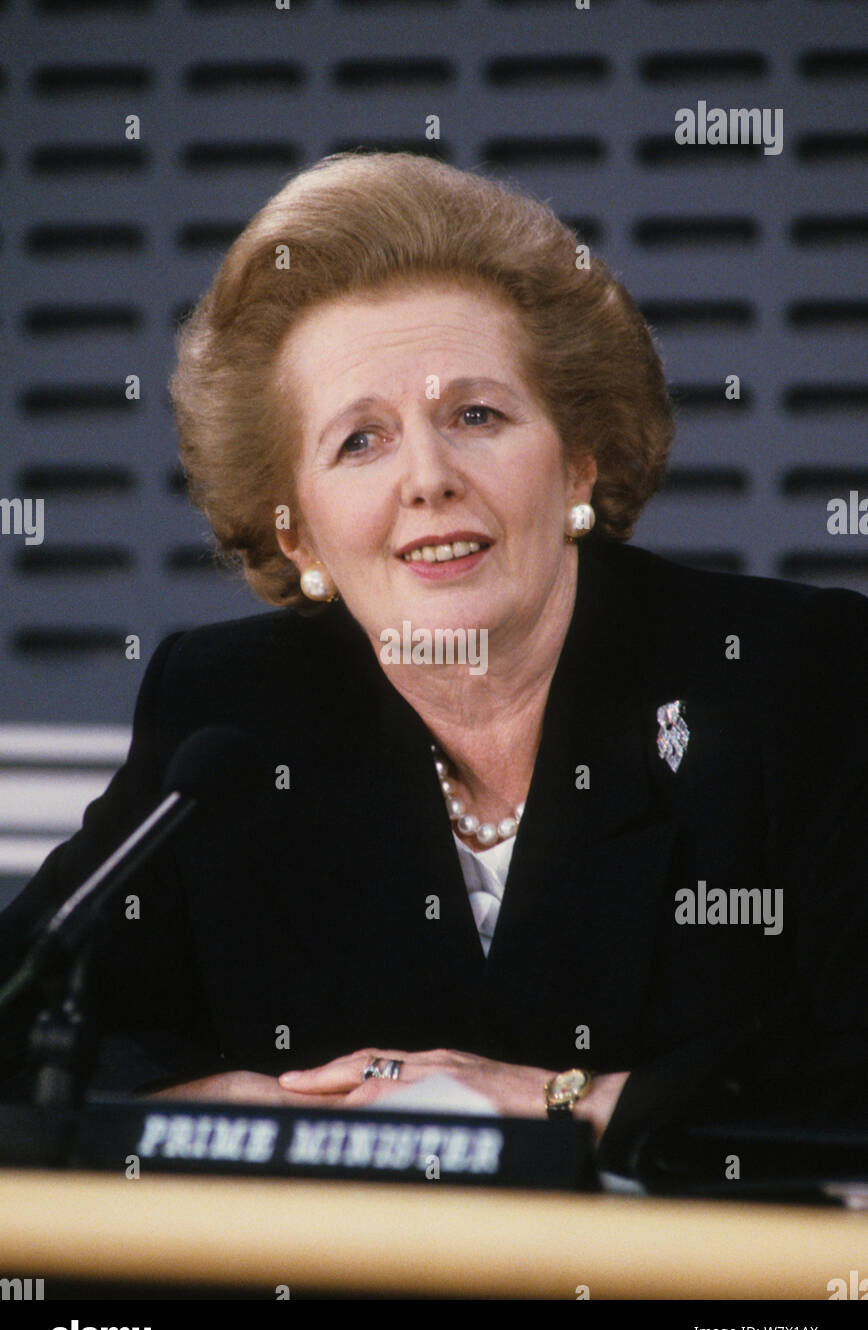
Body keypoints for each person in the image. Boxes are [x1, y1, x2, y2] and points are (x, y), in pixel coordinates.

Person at [0, 152, 865, 1182]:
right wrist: (213, 1106)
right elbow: (25, 1008)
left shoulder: (793, 680)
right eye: (359, 441)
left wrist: (573, 1104)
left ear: (577, 461)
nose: (428, 478)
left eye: (476, 415)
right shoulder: (233, 716)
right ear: (300, 536)